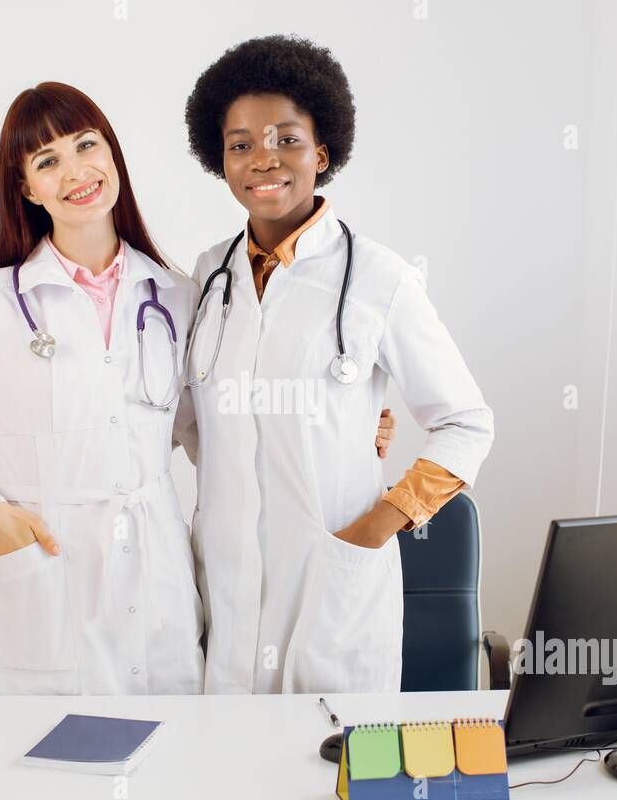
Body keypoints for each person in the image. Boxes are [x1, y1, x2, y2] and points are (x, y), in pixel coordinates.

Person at [0, 82, 397, 696]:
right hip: (48, 583)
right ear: (26, 189)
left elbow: (215, 429)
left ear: (113, 156)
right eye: (47, 161)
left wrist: (346, 425)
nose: (76, 171)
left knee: (167, 771)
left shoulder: (178, 295)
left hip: (159, 590)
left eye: (88, 145)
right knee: (36, 775)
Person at [180, 36, 494, 694]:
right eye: (240, 144)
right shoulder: (209, 275)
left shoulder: (381, 279)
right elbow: (193, 419)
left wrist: (375, 527)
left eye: (286, 140)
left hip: (336, 587)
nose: (263, 160)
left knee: (324, 782)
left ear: (321, 154)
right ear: (220, 161)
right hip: (226, 589)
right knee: (222, 779)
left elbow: (466, 423)